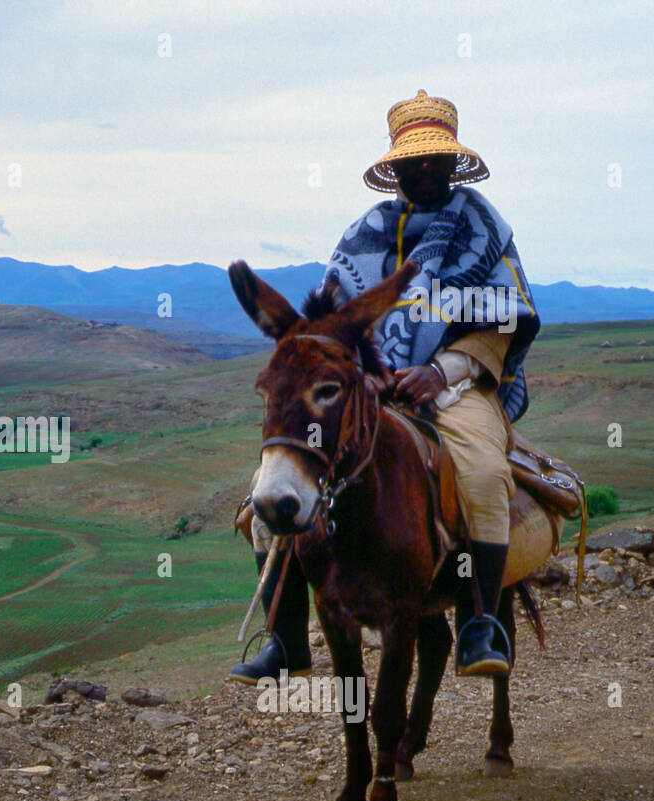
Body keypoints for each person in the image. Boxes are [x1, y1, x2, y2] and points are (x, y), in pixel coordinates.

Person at [230, 89, 540, 682]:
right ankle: (286, 639)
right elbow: (332, 322)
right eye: (413, 162)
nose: (425, 170)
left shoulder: (485, 229)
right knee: (270, 494)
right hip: (366, 383)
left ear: (453, 163)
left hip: (457, 384)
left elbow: (505, 321)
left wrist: (439, 370)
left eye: (436, 160)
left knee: (480, 469)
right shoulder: (363, 234)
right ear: (393, 168)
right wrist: (363, 375)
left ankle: (480, 621)